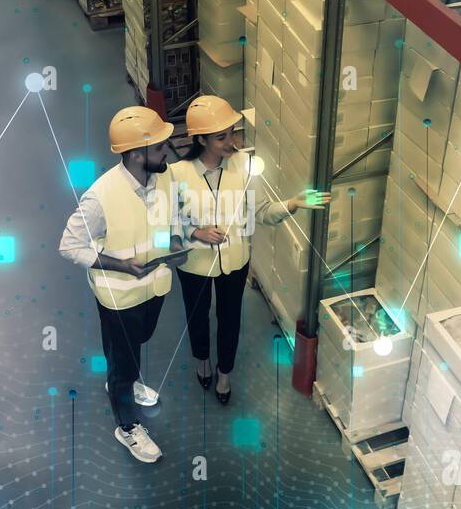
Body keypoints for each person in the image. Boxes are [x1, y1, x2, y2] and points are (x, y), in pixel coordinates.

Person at [170, 95, 330, 405]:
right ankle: (202, 360)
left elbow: (261, 211)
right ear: (201, 139)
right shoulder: (177, 174)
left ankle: (225, 373)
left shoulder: (244, 166)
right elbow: (165, 221)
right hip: (194, 263)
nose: (232, 142)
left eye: (233, 132)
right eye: (222, 137)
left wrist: (292, 204)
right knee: (197, 316)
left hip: (235, 260)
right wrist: (196, 232)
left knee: (230, 318)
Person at [59, 106, 188, 464]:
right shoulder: (100, 198)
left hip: (155, 288)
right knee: (125, 363)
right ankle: (127, 425)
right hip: (120, 296)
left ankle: (121, 379)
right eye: (160, 145)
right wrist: (120, 265)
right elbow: (69, 246)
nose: (168, 149)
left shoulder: (165, 179)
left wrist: (176, 242)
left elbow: (173, 216)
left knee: (136, 343)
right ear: (136, 154)